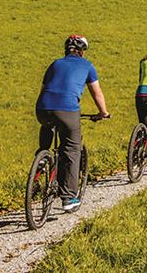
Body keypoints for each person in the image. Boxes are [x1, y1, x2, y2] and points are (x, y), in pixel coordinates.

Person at [36, 34, 109, 212]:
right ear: (82, 51)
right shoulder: (88, 66)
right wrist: (103, 113)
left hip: (43, 108)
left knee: (47, 124)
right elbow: (96, 93)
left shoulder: (55, 64)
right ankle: (68, 197)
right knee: (71, 149)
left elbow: (44, 89)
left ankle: (42, 158)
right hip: (68, 110)